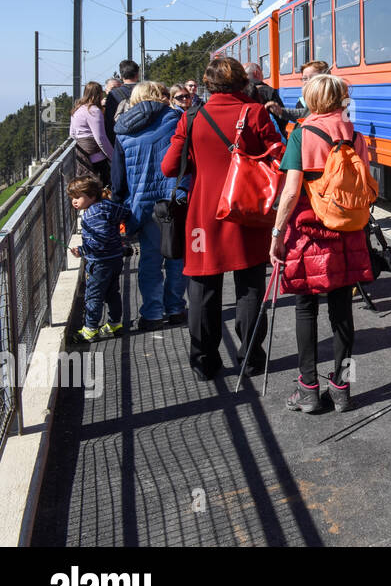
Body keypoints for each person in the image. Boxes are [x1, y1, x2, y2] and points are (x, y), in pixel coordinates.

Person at [162, 57, 283, 380]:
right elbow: (278, 156)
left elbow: (169, 167)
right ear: (243, 81)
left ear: (207, 84)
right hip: (246, 209)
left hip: (203, 214)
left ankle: (204, 361)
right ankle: (251, 358)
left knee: (202, 287)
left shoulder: (191, 116)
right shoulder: (254, 112)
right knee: (250, 287)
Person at [270, 74, 374, 413]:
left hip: (309, 231)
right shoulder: (354, 135)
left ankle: (308, 390)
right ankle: (343, 388)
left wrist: (276, 234)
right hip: (347, 229)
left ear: (312, 99)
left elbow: (290, 192)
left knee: (306, 308)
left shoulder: (302, 134)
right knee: (343, 311)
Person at [111, 81, 187, 331]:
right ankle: (176, 308)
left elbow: (118, 177)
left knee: (150, 260)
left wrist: (121, 203)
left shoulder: (122, 129)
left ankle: (152, 313)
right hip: (174, 198)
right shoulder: (176, 118)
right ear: (161, 96)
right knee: (176, 256)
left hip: (142, 202)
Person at [68, 175, 129, 342]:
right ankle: (115, 324)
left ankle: (90, 329)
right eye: (72, 198)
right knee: (112, 293)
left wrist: (82, 250)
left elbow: (100, 239)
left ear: (92, 196)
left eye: (78, 197)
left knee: (93, 295)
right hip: (115, 258)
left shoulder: (92, 214)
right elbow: (123, 212)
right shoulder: (108, 205)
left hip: (100, 263)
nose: (74, 201)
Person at [70, 81, 115, 187]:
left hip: (81, 155)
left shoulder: (77, 109)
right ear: (98, 94)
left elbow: (72, 134)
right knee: (102, 187)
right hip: (97, 157)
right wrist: (113, 156)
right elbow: (100, 138)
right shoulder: (93, 111)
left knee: (86, 187)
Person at [103, 60, 140, 148]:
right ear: (137, 74)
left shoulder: (113, 94)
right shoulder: (147, 91)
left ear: (121, 76)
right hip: (142, 138)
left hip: (120, 139)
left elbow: (109, 121)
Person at [244, 61, 288, 135]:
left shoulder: (239, 92)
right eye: (261, 72)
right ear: (256, 73)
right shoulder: (268, 91)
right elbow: (281, 116)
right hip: (268, 136)